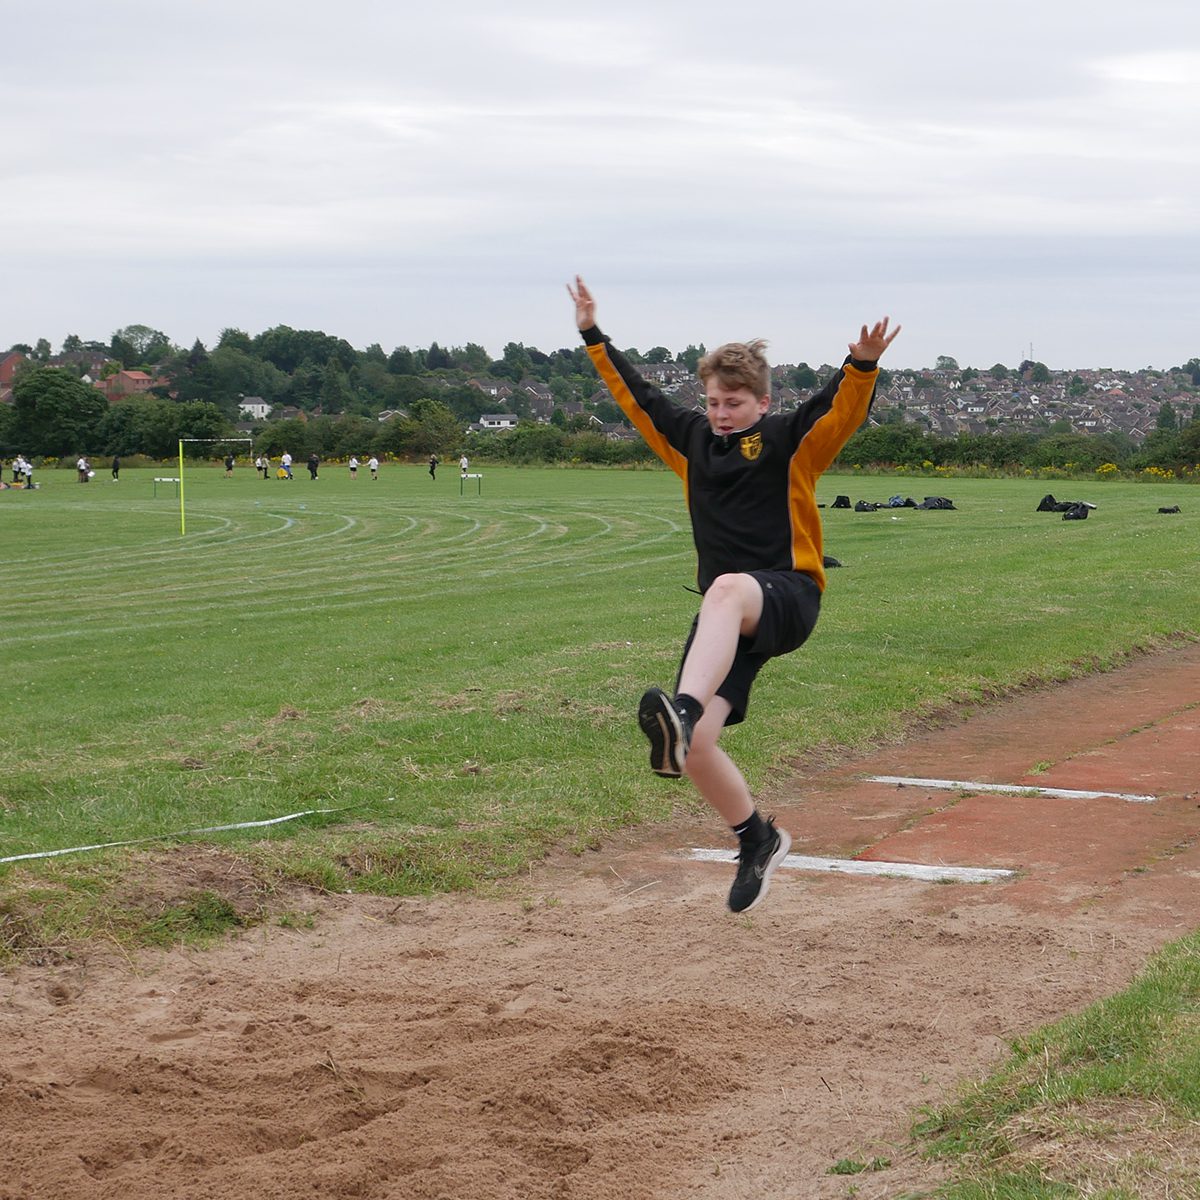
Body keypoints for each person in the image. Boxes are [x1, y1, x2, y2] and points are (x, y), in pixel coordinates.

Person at [568, 275, 900, 913]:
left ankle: (683, 712)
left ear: (762, 401)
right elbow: (637, 398)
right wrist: (591, 335)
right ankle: (756, 837)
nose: (721, 414)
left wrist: (861, 365)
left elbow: (839, 412)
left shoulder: (787, 442)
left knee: (722, 591)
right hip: (729, 621)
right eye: (715, 402)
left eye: (735, 403)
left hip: (786, 594)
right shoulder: (691, 442)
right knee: (694, 750)